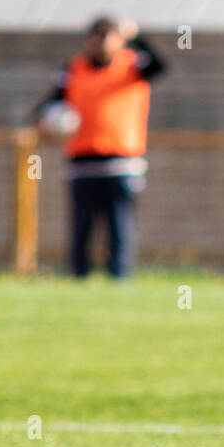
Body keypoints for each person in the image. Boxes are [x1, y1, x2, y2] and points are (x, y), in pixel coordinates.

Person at [34, 18, 165, 279]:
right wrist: (46, 122)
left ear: (119, 39)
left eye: (108, 36)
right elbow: (49, 105)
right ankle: (78, 276)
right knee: (81, 226)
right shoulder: (74, 69)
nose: (101, 43)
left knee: (119, 225)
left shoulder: (132, 65)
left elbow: (160, 65)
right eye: (96, 37)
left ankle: (120, 277)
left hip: (122, 162)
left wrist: (136, 36)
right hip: (82, 161)